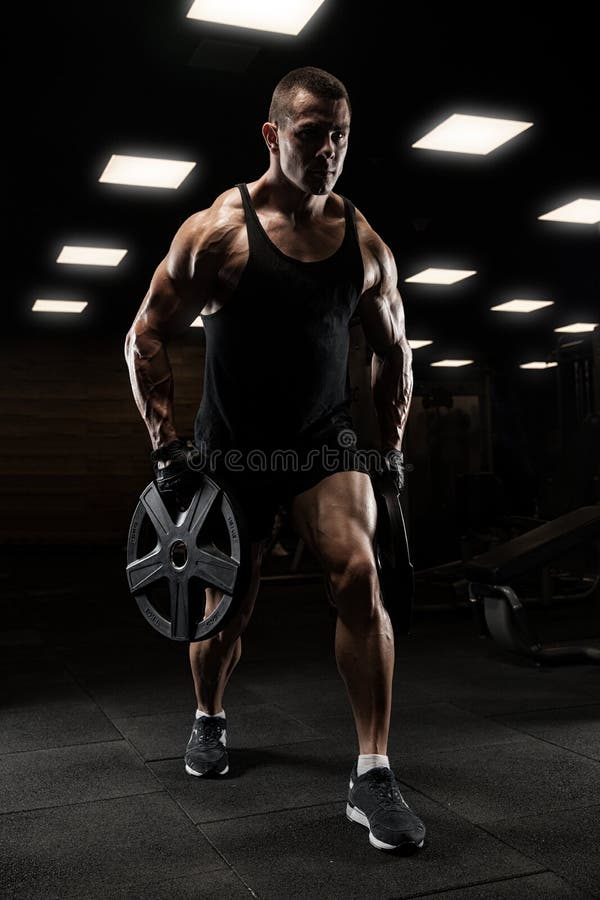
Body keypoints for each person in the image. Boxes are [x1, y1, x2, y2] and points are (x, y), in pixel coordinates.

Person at [124, 66, 425, 854]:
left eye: (341, 137)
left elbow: (395, 352)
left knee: (358, 575)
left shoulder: (363, 244)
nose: (328, 151)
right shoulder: (217, 232)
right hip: (232, 447)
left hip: (324, 442)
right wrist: (166, 449)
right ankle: (209, 718)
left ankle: (372, 772)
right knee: (228, 606)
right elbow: (144, 335)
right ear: (272, 135)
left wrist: (390, 453)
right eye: (311, 134)